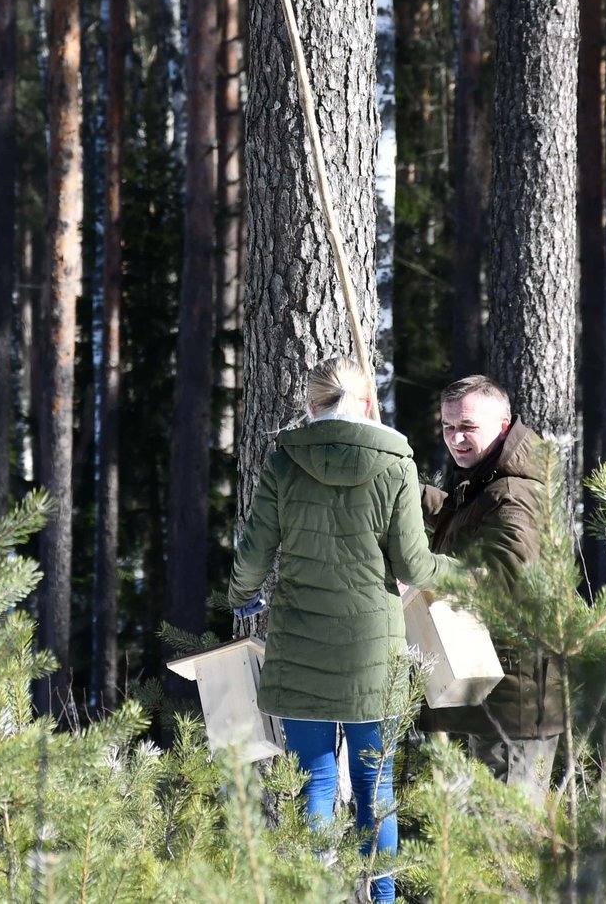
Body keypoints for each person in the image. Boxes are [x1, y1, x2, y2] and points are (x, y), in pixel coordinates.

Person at [228, 356, 453, 904]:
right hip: (373, 654)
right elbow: (414, 568)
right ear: (369, 401)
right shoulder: (396, 462)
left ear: (310, 404)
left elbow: (255, 549)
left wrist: (242, 597)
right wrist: (465, 573)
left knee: (317, 782)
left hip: (300, 647)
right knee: (376, 787)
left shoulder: (283, 460)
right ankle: (382, 899)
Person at [420, 375, 567, 795]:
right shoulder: (490, 481)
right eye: (449, 427)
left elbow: (507, 580)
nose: (456, 438)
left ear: (503, 425)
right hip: (499, 688)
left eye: (468, 427)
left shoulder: (514, 494)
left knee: (507, 841)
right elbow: (467, 526)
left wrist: (425, 570)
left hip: (518, 698)